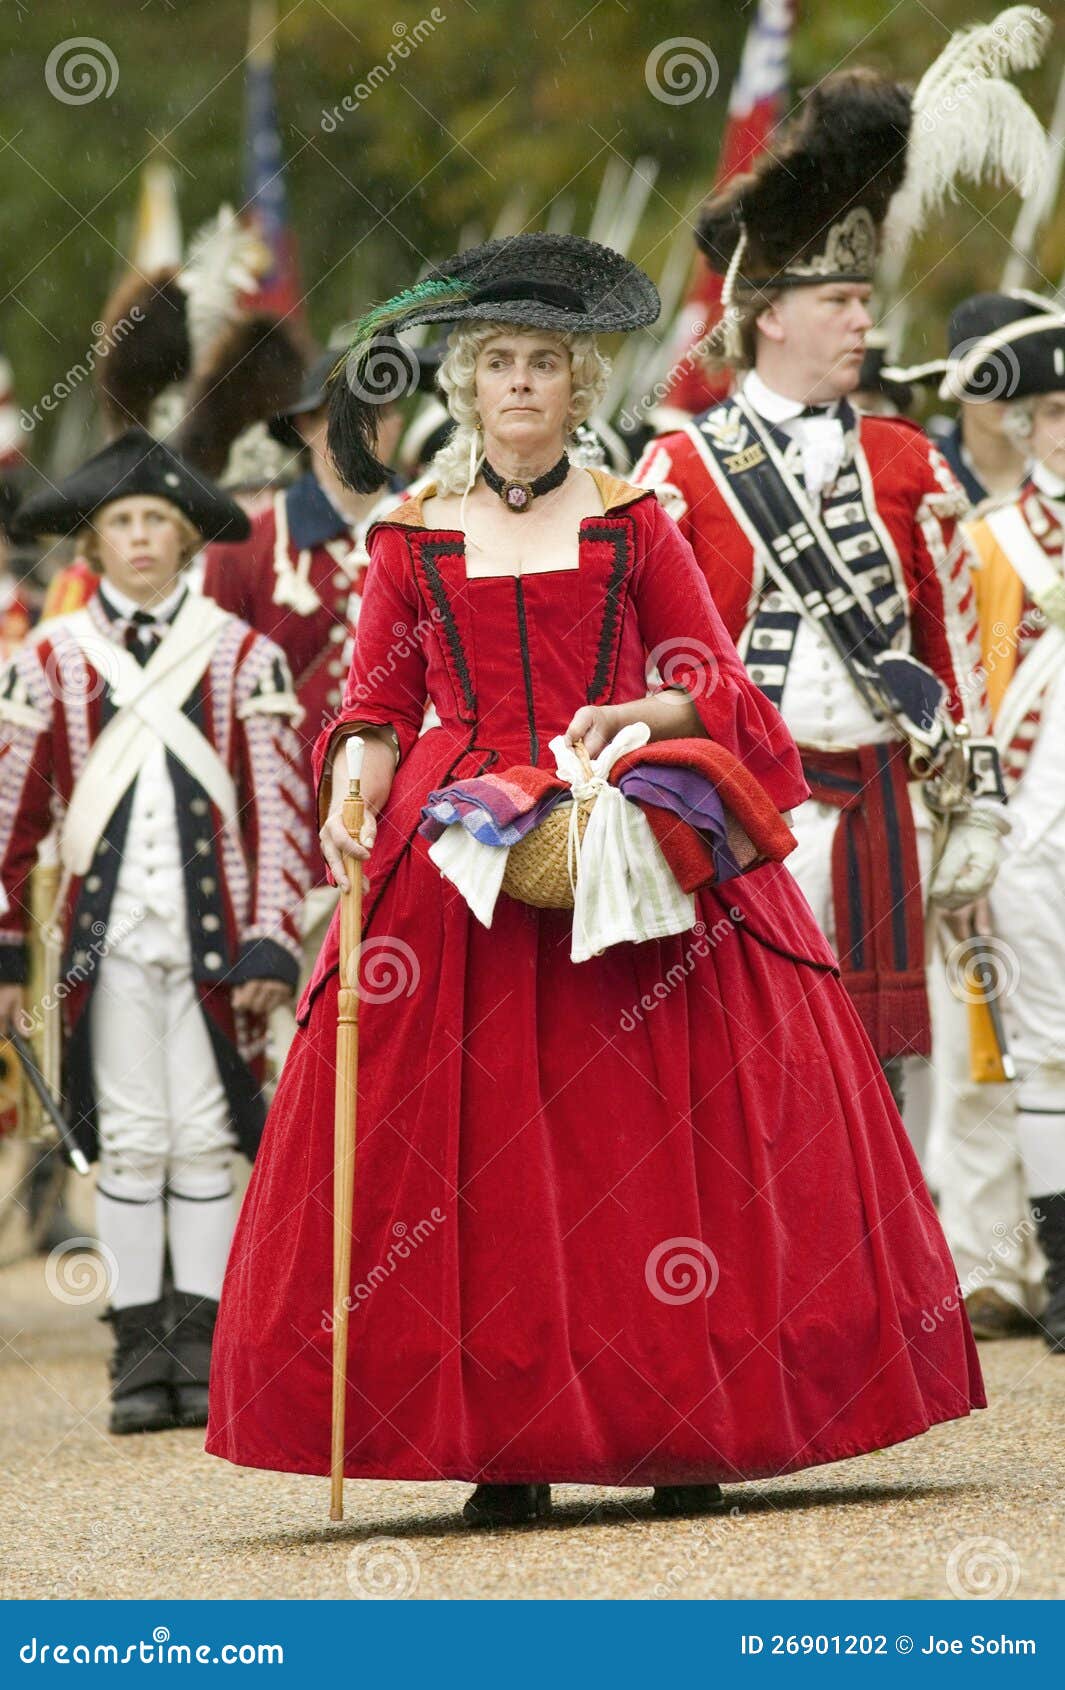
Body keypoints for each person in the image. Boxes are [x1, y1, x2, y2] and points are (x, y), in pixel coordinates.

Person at [205, 233, 982, 1528]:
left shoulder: (634, 518)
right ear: (467, 387)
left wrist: (644, 706)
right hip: (459, 853)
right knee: (476, 1159)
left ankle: (688, 1423)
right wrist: (353, 780)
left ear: (576, 388)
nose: (519, 385)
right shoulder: (413, 535)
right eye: (498, 364)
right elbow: (376, 700)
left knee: (664, 1140)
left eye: (543, 367)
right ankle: (503, 1444)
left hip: (624, 832)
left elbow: (715, 677)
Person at [632, 64, 1021, 1122]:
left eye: (862, 300)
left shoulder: (908, 462)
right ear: (770, 317)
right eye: (840, 302)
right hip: (742, 810)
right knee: (739, 1079)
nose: (863, 321)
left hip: (884, 811)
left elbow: (952, 651)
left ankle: (873, 1288)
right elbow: (646, 664)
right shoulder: (679, 471)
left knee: (877, 1093)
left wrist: (977, 795)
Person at [0, 428, 311, 1433]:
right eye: (122, 522)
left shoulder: (242, 656)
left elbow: (277, 808)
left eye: (157, 523)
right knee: (129, 1145)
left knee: (207, 1138)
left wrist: (270, 935)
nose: (139, 539)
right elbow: (13, 812)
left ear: (186, 540)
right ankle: (141, 1351)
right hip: (103, 946)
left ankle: (206, 1342)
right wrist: (7, 947)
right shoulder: (48, 658)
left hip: (217, 942)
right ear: (95, 545)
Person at [202, 352, 406, 1029]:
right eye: (348, 416)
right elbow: (213, 719)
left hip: (411, 838)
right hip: (279, 852)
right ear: (309, 427)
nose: (367, 430)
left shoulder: (443, 532)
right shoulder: (245, 549)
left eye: (382, 413)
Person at [952, 311, 1065, 1353]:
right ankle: (1060, 1269)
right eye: (1056, 414)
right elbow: (971, 689)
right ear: (1027, 425)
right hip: (1029, 824)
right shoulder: (990, 542)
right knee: (1041, 1055)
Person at [886, 292, 1048, 504]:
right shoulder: (913, 475)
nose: (1006, 393)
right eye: (987, 376)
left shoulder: (1056, 481)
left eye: (1022, 376)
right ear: (956, 386)